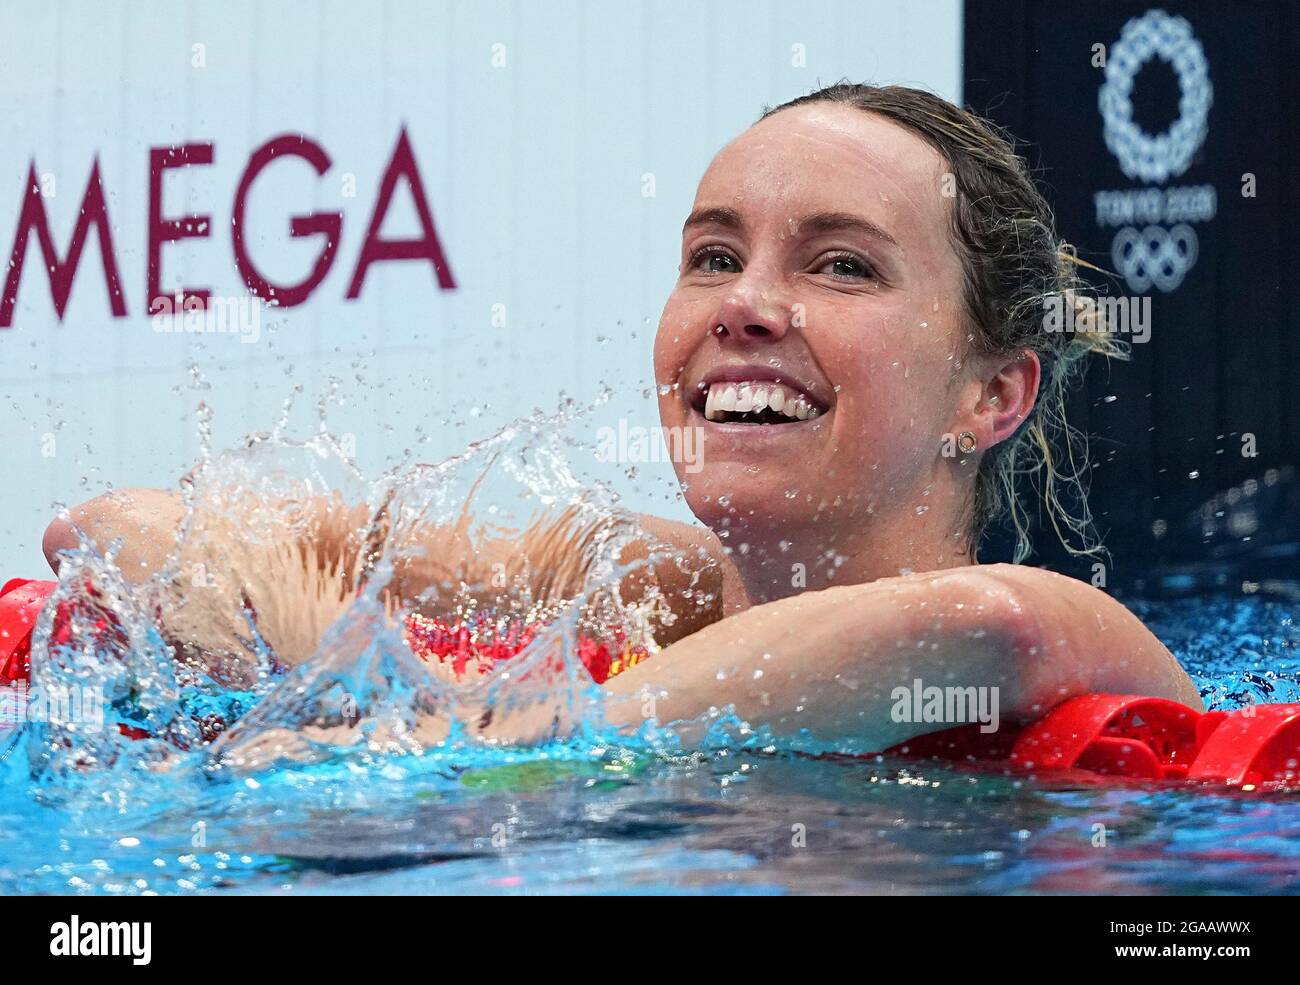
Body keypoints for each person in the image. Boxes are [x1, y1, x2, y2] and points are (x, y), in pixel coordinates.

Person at [41, 84, 1202, 757]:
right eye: (711, 256)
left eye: (841, 265)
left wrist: (503, 745)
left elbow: (981, 625)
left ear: (989, 395)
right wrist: (336, 681)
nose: (744, 304)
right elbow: (121, 531)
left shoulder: (1060, 631)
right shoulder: (647, 585)